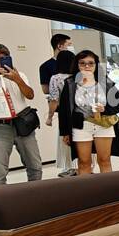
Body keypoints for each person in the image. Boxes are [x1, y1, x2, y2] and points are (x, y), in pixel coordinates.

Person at [0, 43, 42, 186]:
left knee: (35, 166)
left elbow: (30, 95)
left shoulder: (19, 75)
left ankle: (34, 198)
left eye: (2, 60)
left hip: (23, 123)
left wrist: (17, 79)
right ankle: (0, 202)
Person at [57, 49, 119, 175]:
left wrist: (105, 109)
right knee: (84, 162)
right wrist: (64, 132)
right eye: (82, 63)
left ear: (96, 65)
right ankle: (86, 192)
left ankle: (108, 190)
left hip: (104, 124)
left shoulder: (105, 82)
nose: (87, 66)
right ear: (77, 65)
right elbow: (64, 109)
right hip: (81, 125)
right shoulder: (70, 83)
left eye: (91, 63)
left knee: (104, 160)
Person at [44, 49, 78, 177]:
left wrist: (49, 117)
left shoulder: (55, 78)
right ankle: (84, 165)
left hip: (65, 115)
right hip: (82, 115)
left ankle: (70, 168)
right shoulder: (79, 76)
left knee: (66, 140)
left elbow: (54, 100)